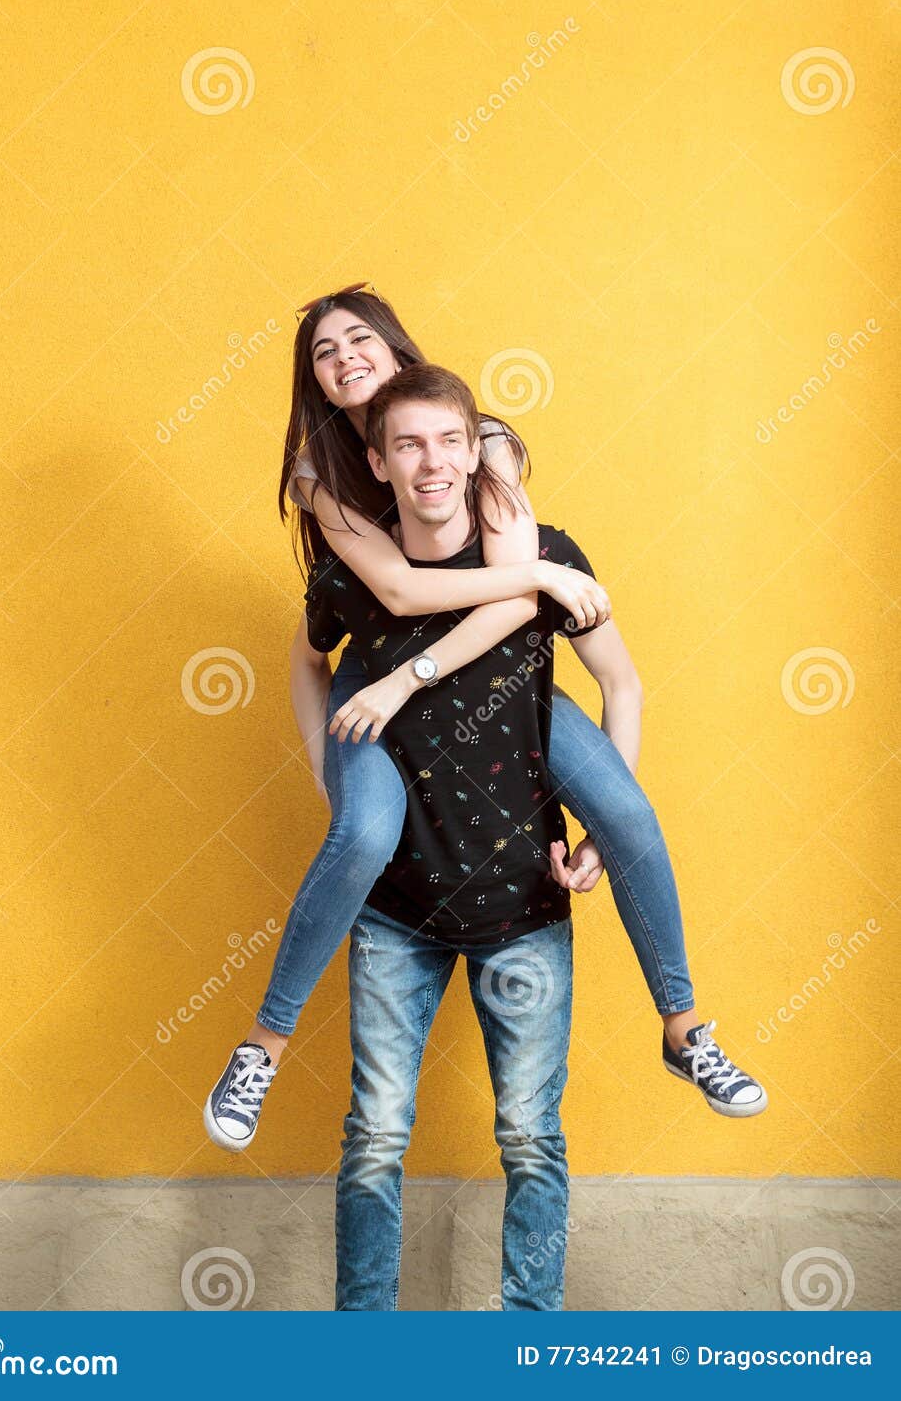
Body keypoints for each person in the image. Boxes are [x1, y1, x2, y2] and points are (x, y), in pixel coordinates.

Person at [204, 290, 766, 1153]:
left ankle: (685, 1030)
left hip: (498, 676)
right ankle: (261, 1048)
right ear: (313, 381)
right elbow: (398, 589)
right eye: (323, 351)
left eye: (361, 339)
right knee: (359, 837)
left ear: (398, 356)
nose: (345, 356)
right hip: (382, 660)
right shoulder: (321, 475)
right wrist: (531, 581)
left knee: (624, 815)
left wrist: (526, 586)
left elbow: (510, 609)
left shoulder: (483, 440)